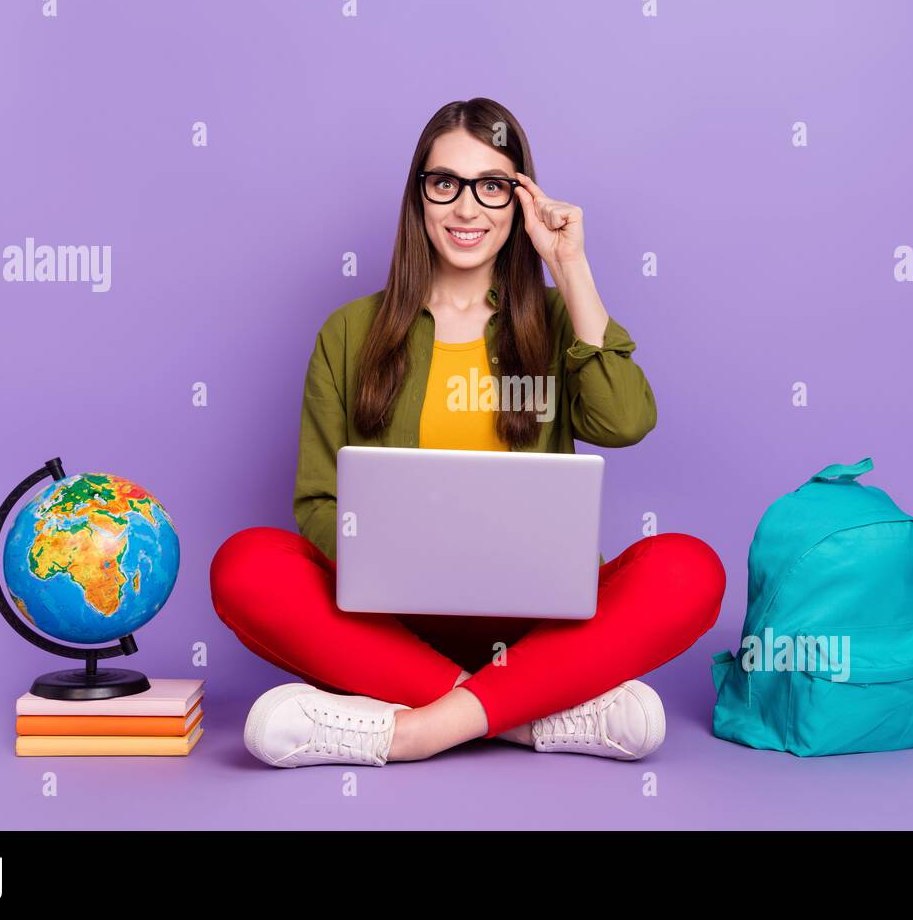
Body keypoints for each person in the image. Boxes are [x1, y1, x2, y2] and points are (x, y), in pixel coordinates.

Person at [210, 97, 725, 768]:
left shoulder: (554, 318)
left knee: (689, 570)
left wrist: (570, 266)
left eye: (492, 186)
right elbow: (316, 505)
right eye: (445, 183)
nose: (466, 208)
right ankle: (524, 714)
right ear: (419, 197)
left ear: (519, 201)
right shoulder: (348, 332)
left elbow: (624, 420)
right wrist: (394, 557)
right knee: (245, 565)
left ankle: (414, 730)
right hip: (390, 627)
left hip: (539, 624)